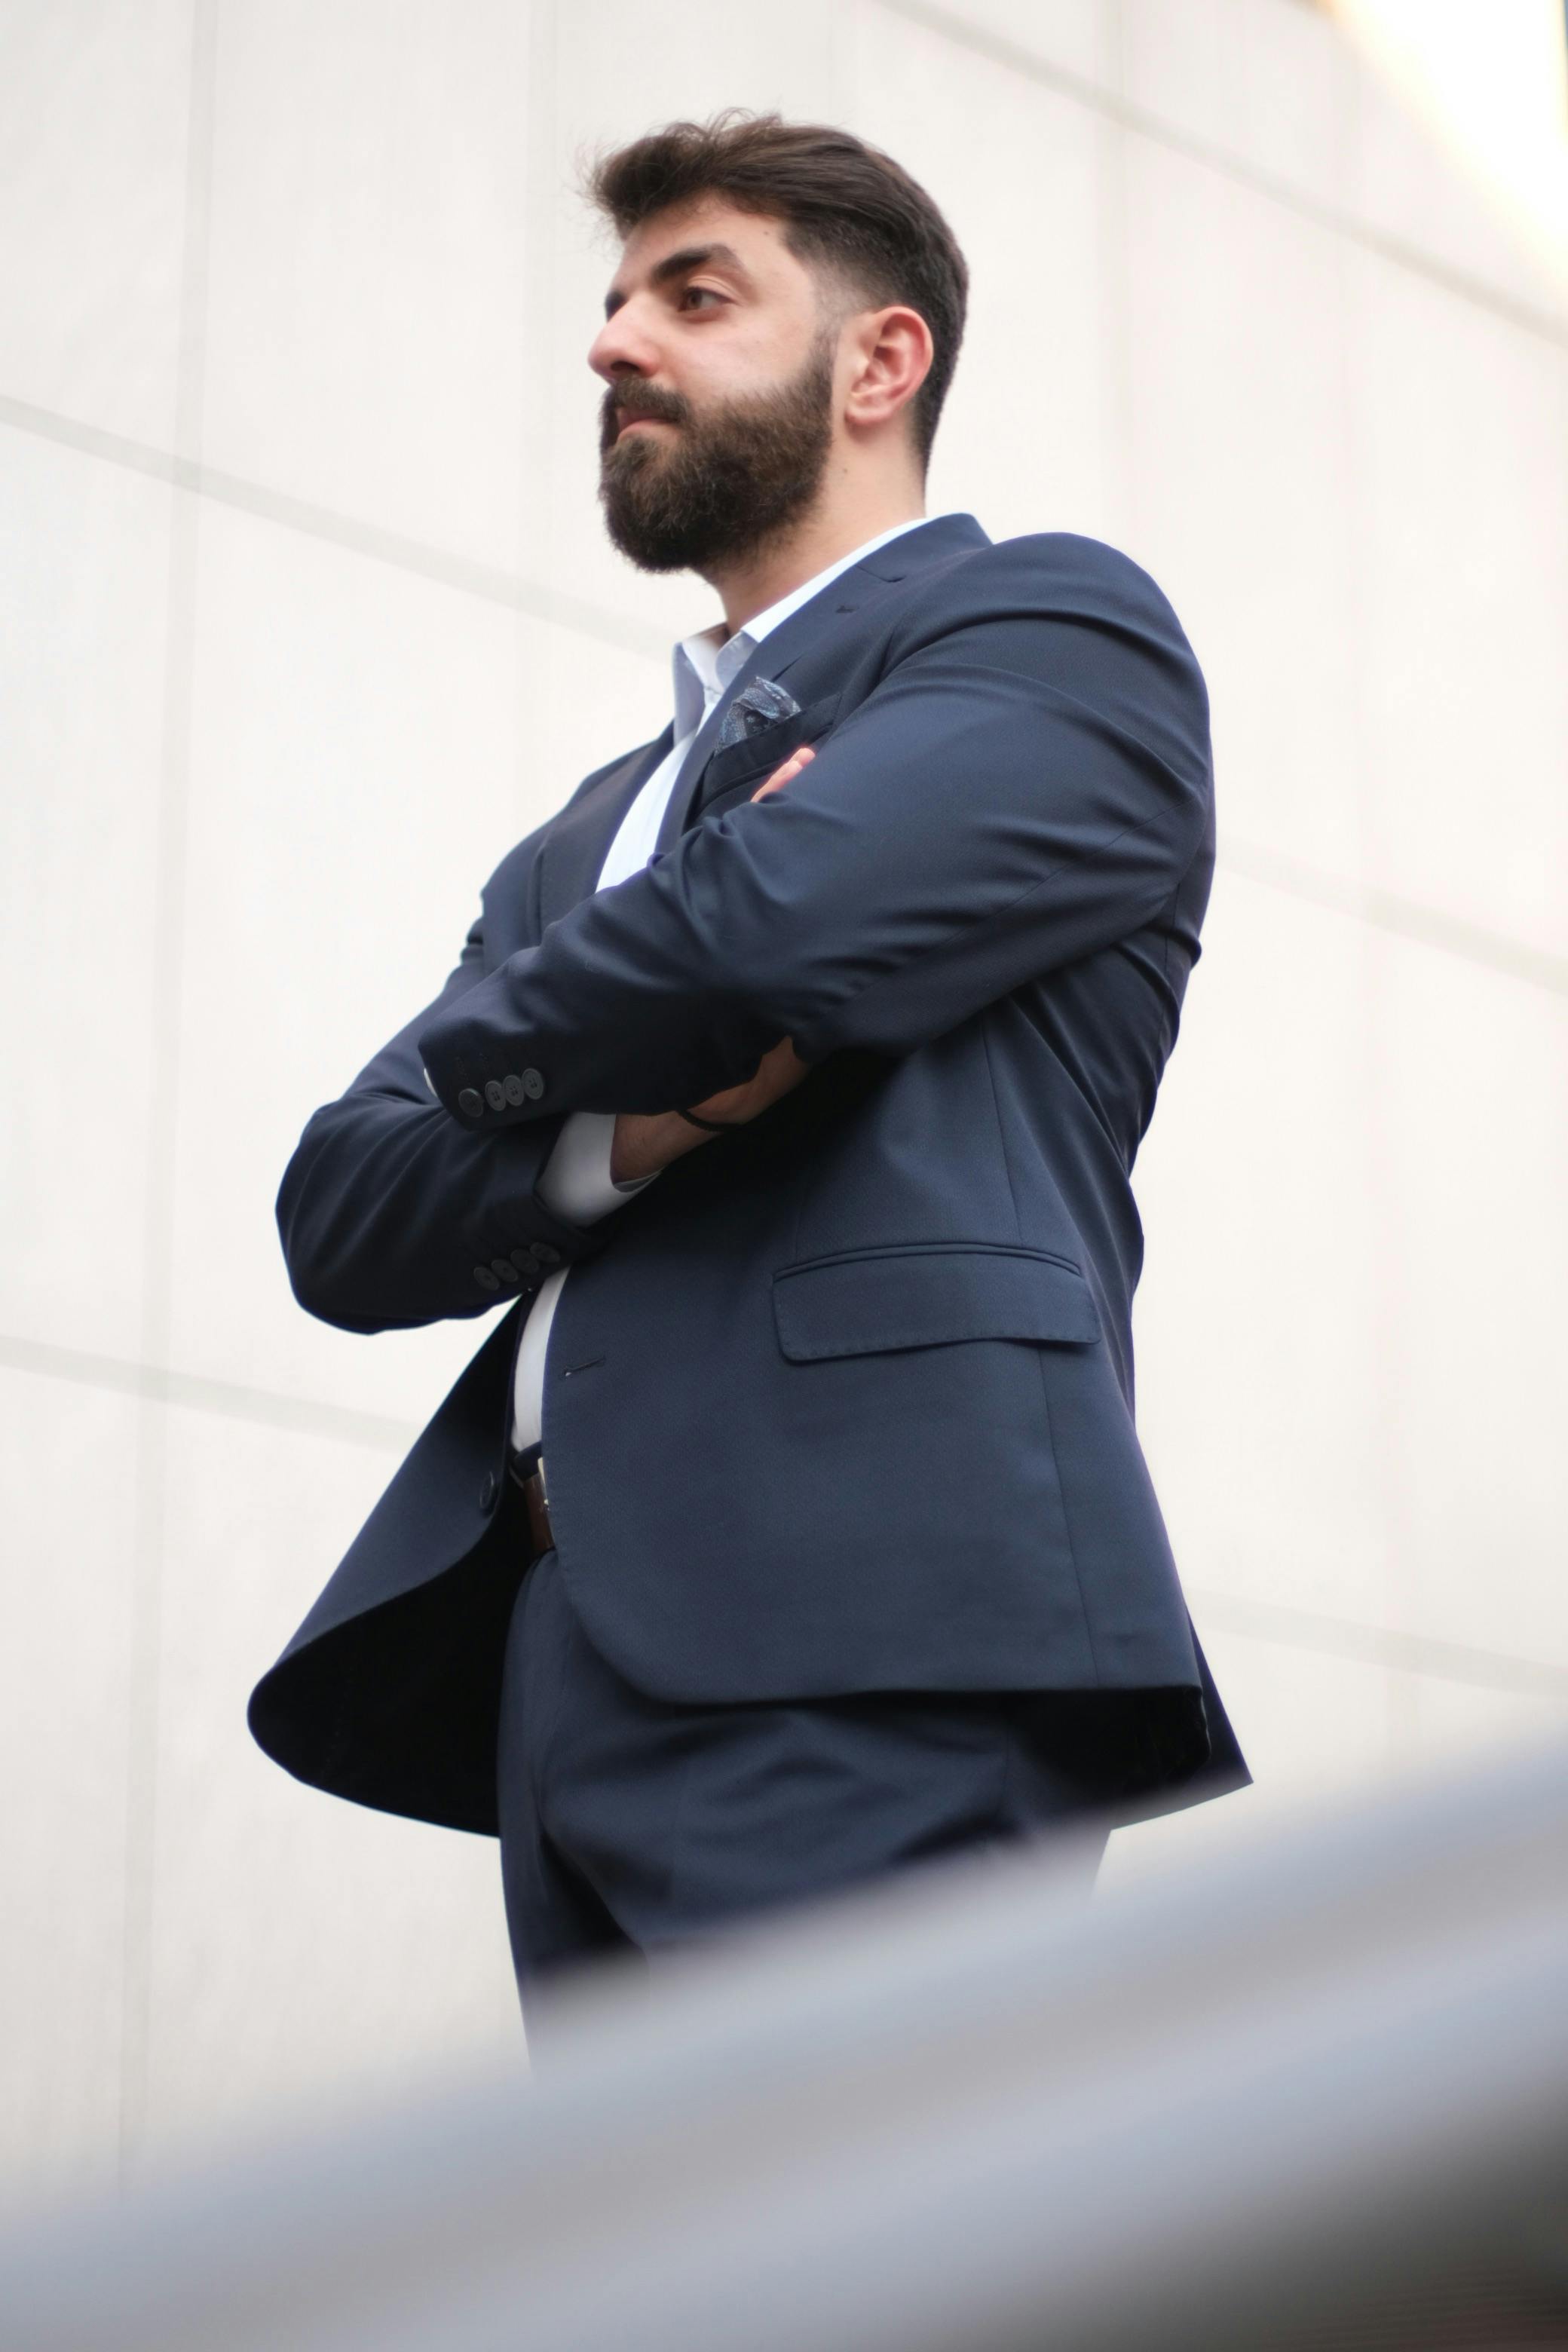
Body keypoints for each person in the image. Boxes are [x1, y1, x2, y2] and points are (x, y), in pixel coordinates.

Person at [249, 109, 1248, 2033]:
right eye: (614, 301)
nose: (616, 343)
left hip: (874, 1628)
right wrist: (636, 1107)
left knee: (885, 2274)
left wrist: (596, 991)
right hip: (563, 1654)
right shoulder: (588, 833)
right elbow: (341, 1209)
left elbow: (770, 934)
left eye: (694, 296)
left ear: (880, 363)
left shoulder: (1049, 632)